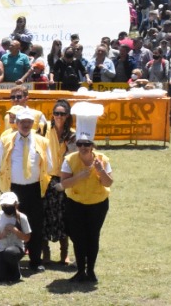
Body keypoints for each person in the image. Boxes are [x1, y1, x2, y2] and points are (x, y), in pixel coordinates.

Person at [0, 106, 55, 271]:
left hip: (34, 189)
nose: (25, 125)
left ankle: (35, 260)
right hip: (14, 189)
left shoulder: (42, 141)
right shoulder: (6, 140)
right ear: (16, 123)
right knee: (13, 223)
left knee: (35, 225)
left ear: (33, 123)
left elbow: (49, 164)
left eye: (28, 122)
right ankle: (13, 258)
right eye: (22, 122)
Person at [61, 102, 112, 284]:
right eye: (80, 144)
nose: (83, 147)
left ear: (92, 145)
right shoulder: (69, 160)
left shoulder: (103, 160)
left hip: (98, 204)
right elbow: (64, 183)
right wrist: (79, 177)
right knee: (79, 238)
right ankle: (80, 271)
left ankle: (90, 271)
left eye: (87, 144)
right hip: (75, 203)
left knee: (93, 236)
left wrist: (100, 171)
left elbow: (109, 182)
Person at [43, 99, 74, 265]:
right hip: (46, 177)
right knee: (45, 215)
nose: (59, 116)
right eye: (56, 113)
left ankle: (64, 254)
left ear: (68, 116)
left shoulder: (72, 134)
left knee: (64, 216)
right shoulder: (44, 129)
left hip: (64, 178)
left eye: (62, 113)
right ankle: (45, 253)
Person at [0, 191, 32, 283]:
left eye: (9, 205)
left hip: (16, 248)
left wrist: (14, 230)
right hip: (0, 248)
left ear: (15, 204)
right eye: (4, 205)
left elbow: (27, 237)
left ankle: (15, 271)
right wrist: (1, 235)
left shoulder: (22, 217)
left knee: (9, 253)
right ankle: (6, 270)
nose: (6, 208)